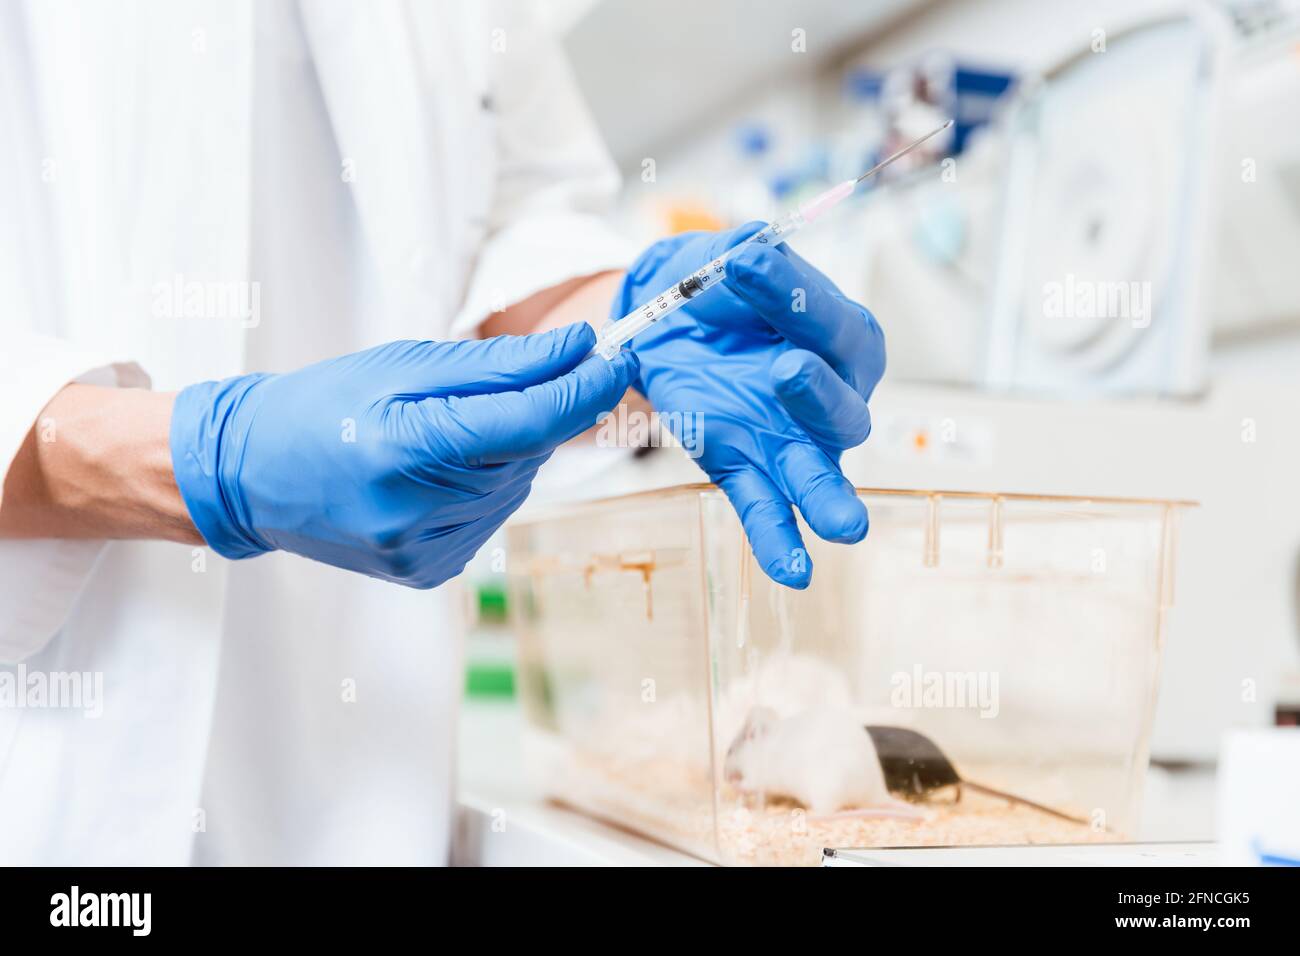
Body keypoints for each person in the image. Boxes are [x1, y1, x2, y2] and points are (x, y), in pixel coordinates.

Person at [0, 0, 884, 864]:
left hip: (370, 793)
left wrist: (636, 323)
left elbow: (517, 258)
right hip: (51, 798)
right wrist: (203, 459)